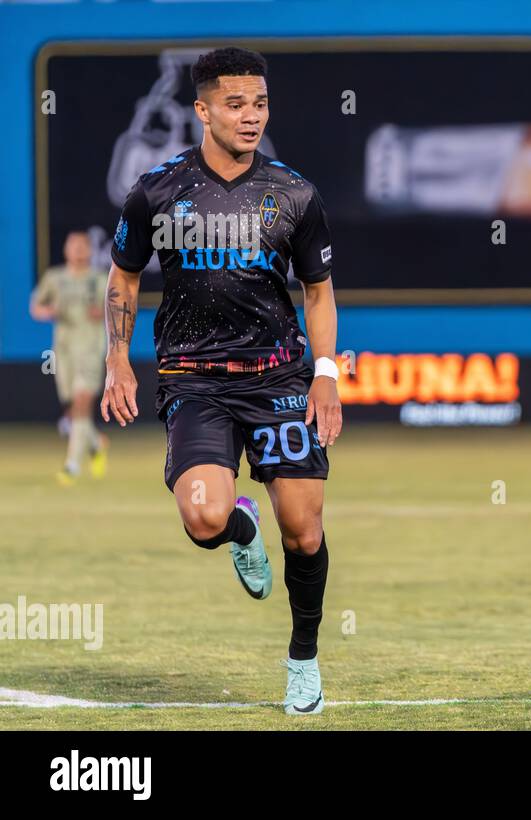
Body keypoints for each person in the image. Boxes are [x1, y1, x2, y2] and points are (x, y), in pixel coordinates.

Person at [101, 47, 341, 715]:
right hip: (194, 380)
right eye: (235, 104)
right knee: (203, 518)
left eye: (260, 103)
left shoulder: (294, 193)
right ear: (202, 110)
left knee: (305, 532)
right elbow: (122, 276)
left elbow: (318, 292)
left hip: (279, 379)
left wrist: (325, 374)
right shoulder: (156, 188)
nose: (251, 116)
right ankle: (238, 529)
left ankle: (303, 658)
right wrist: (117, 358)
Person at [30, 230, 111, 484]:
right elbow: (36, 307)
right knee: (72, 406)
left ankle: (72, 465)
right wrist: (49, 311)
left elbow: (115, 308)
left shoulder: (99, 279)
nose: (77, 251)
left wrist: (103, 312)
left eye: (82, 246)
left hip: (90, 348)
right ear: (66, 250)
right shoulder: (55, 278)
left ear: (90, 251)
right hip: (63, 351)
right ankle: (96, 443)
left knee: (81, 401)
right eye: (73, 246)